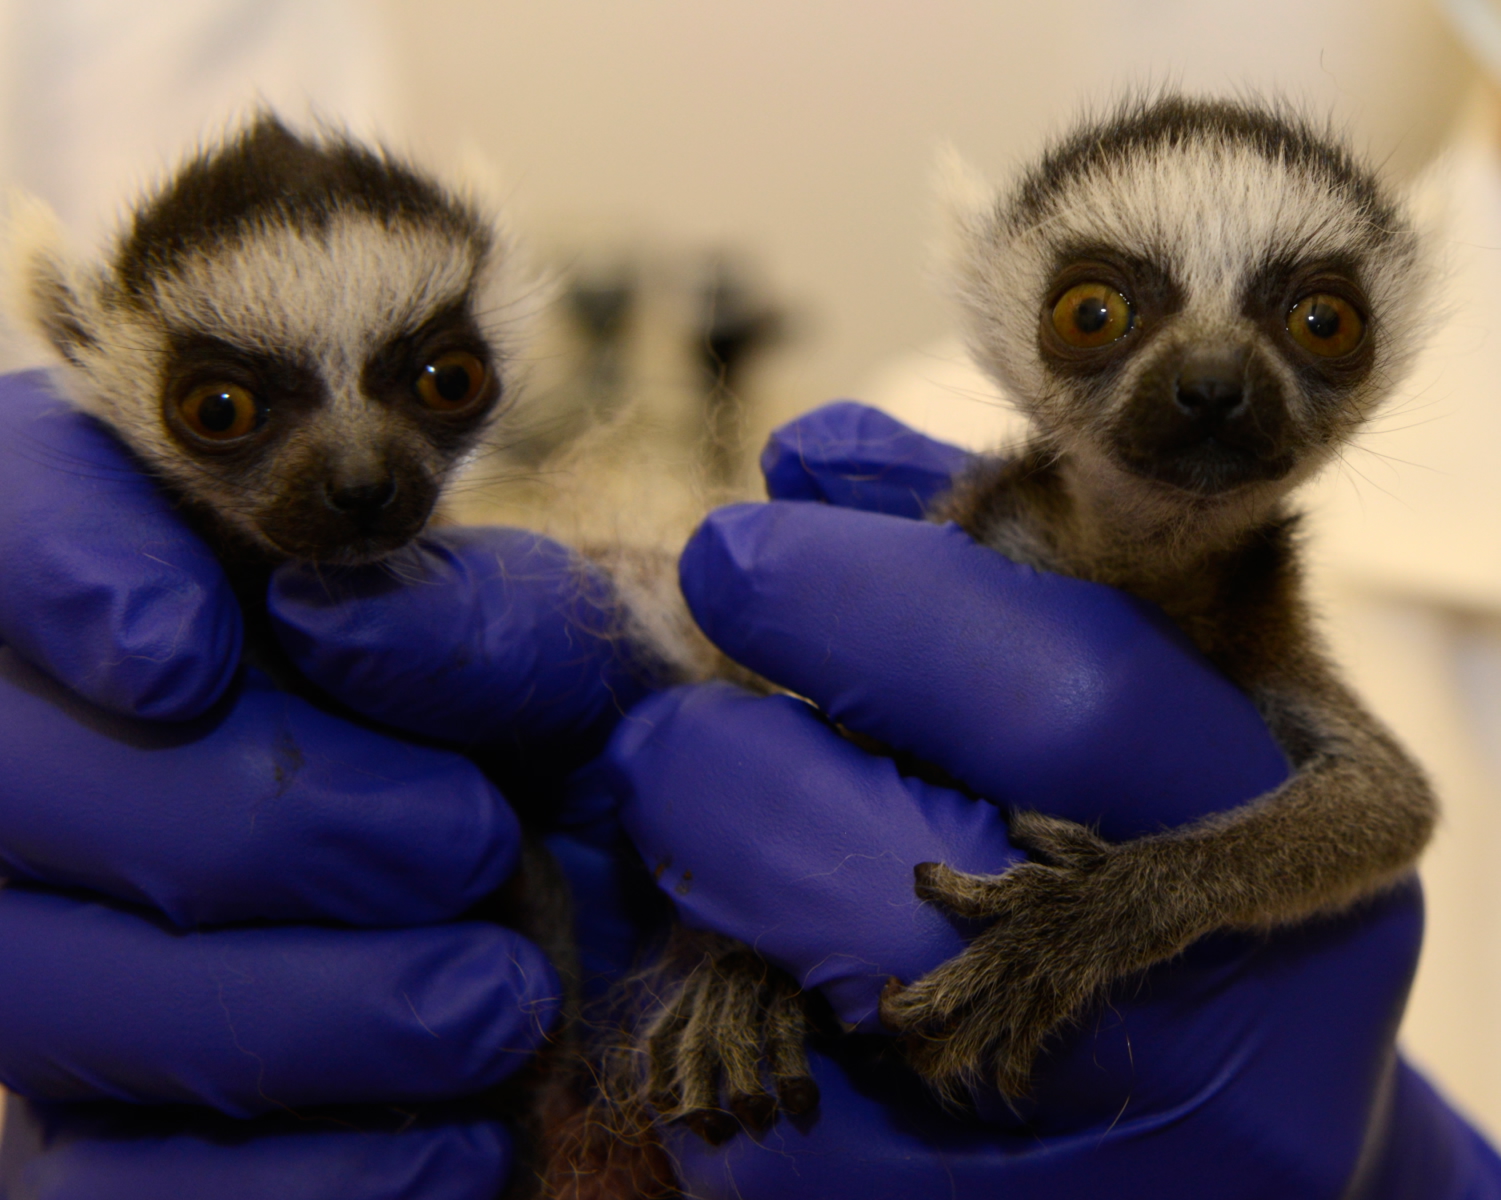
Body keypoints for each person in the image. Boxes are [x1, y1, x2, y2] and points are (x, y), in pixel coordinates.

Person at [0, 370, 1494, 1198]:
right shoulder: (912, 483)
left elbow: (1381, 799)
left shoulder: (1262, 592)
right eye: (1100, 313)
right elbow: (774, 806)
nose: (1211, 380)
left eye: (1314, 323)